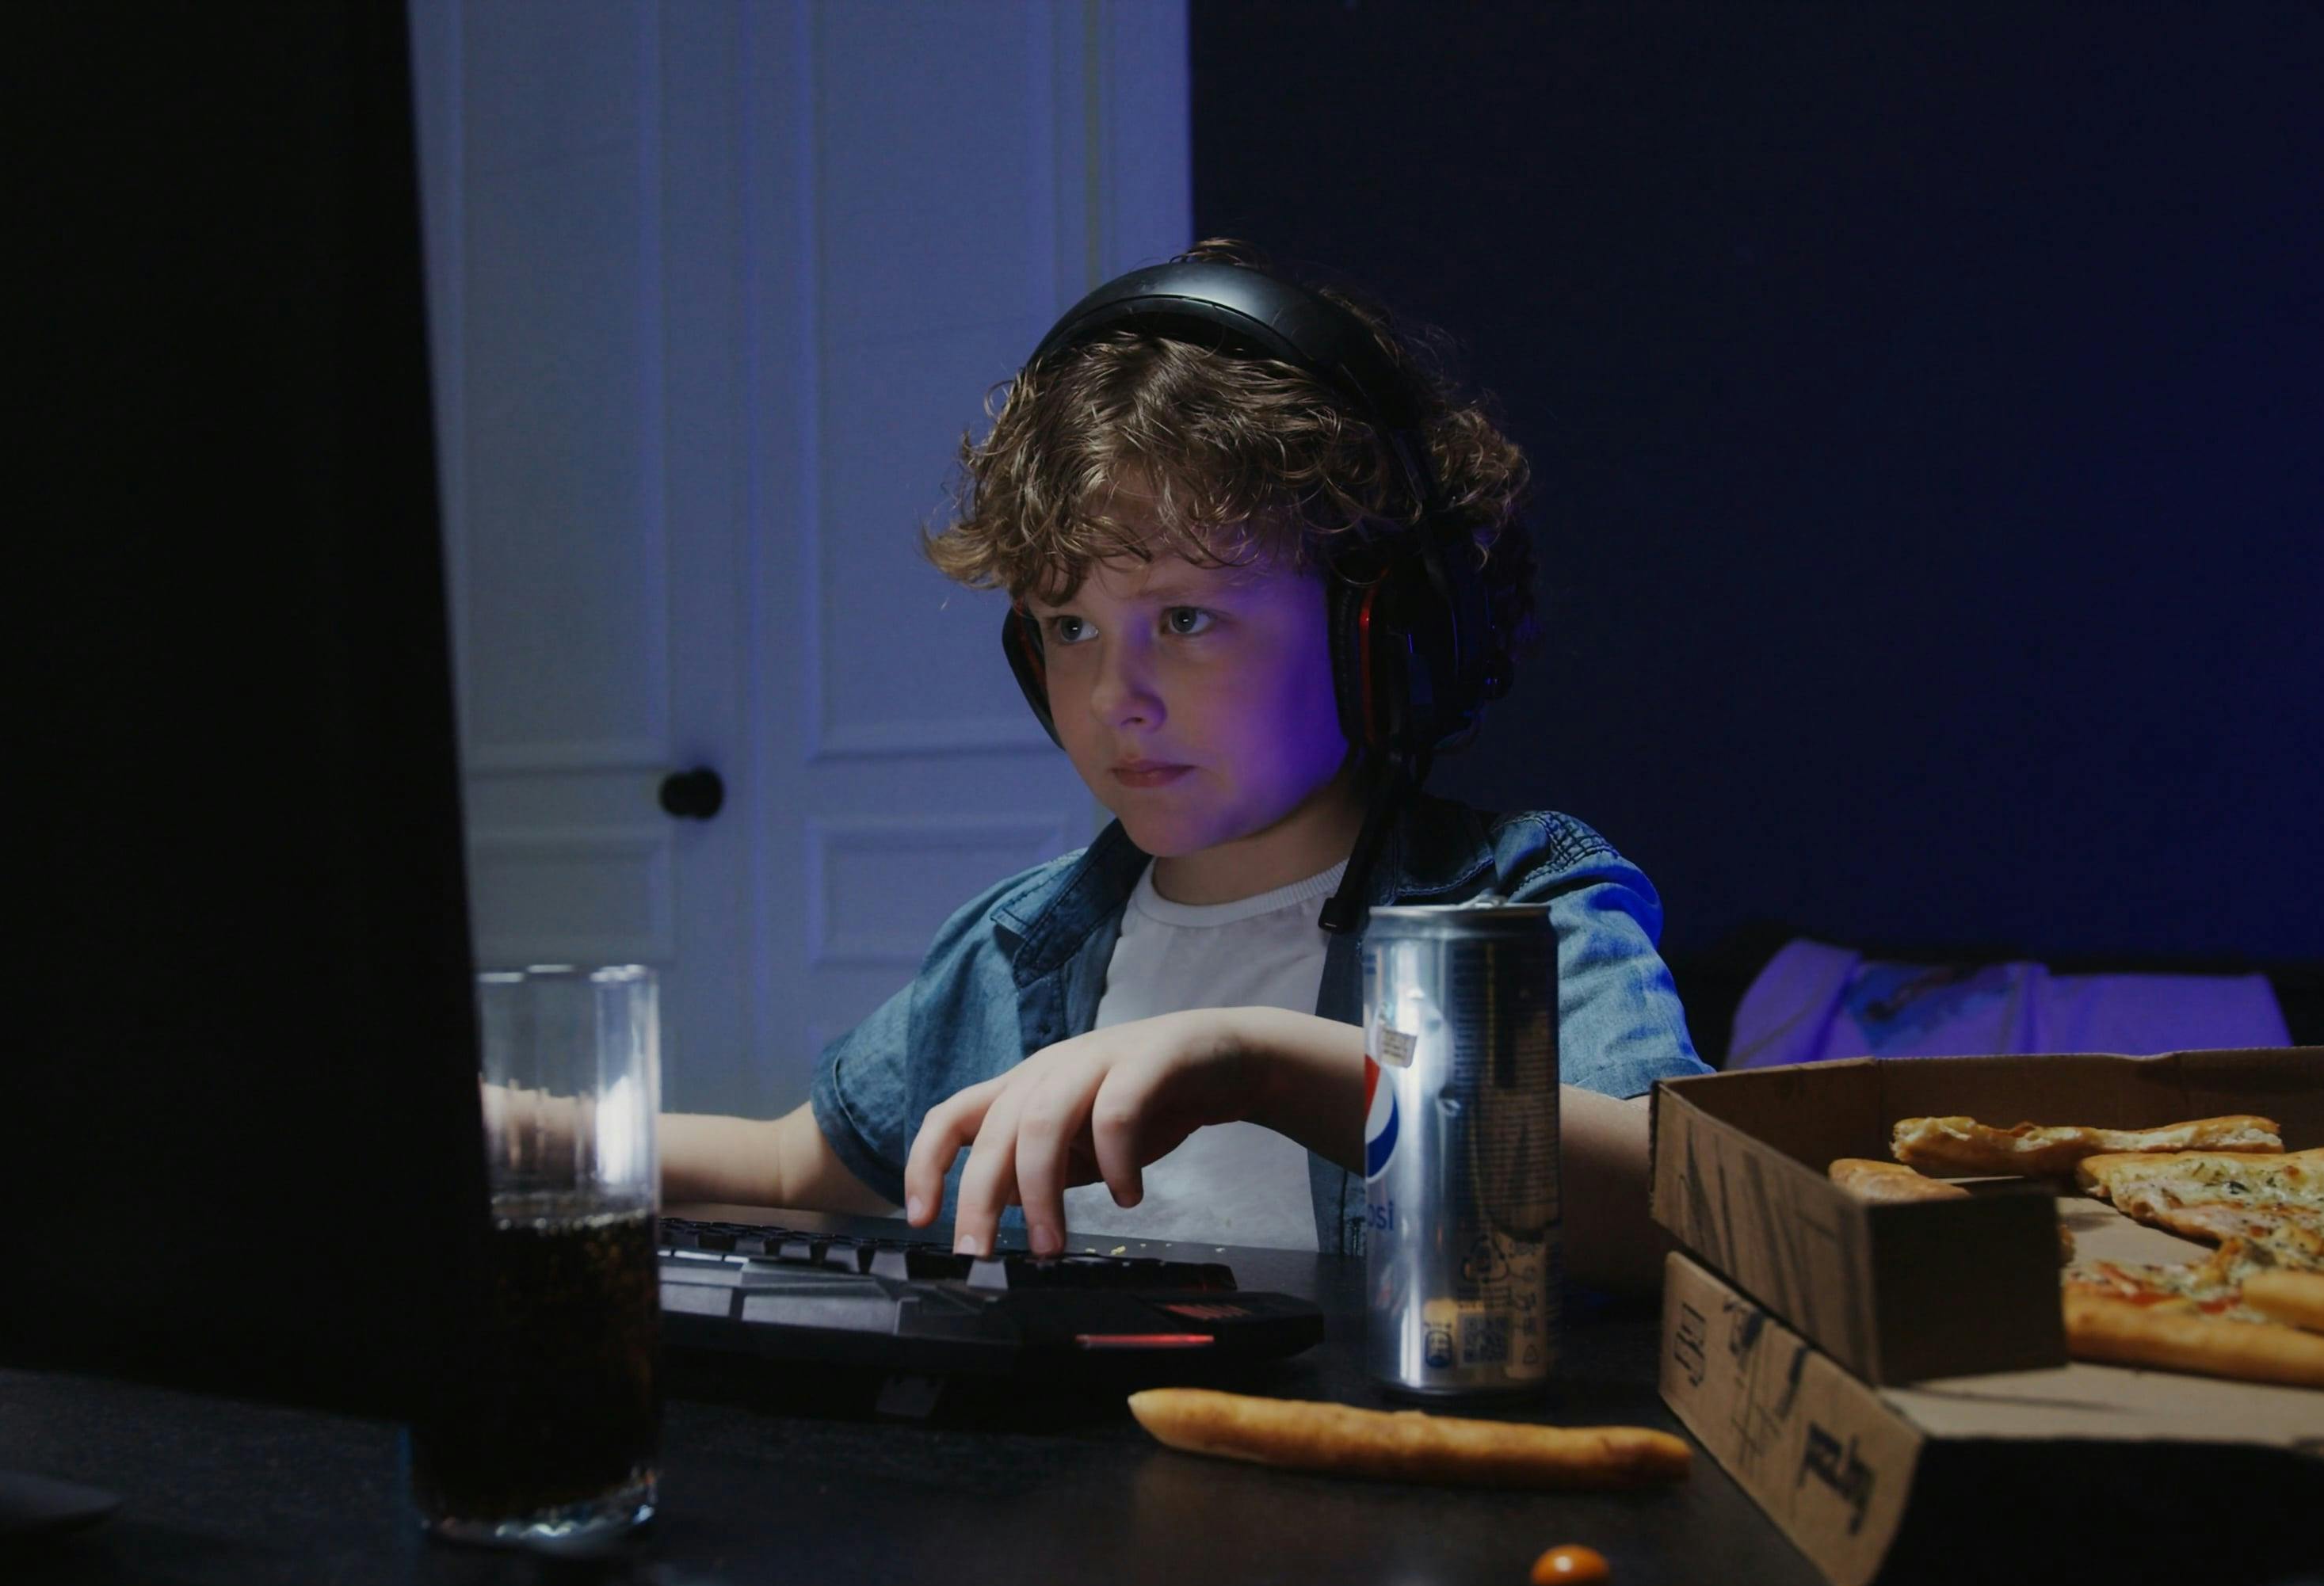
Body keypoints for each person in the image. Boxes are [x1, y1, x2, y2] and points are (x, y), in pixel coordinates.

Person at [659, 239, 1708, 1292]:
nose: (1117, 696)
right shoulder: (1013, 947)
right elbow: (797, 1165)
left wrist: (1257, 1064)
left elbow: (1683, 1208)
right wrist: (529, 1132)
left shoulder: (1516, 903)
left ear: (1377, 631)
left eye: (1189, 617)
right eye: (1070, 628)